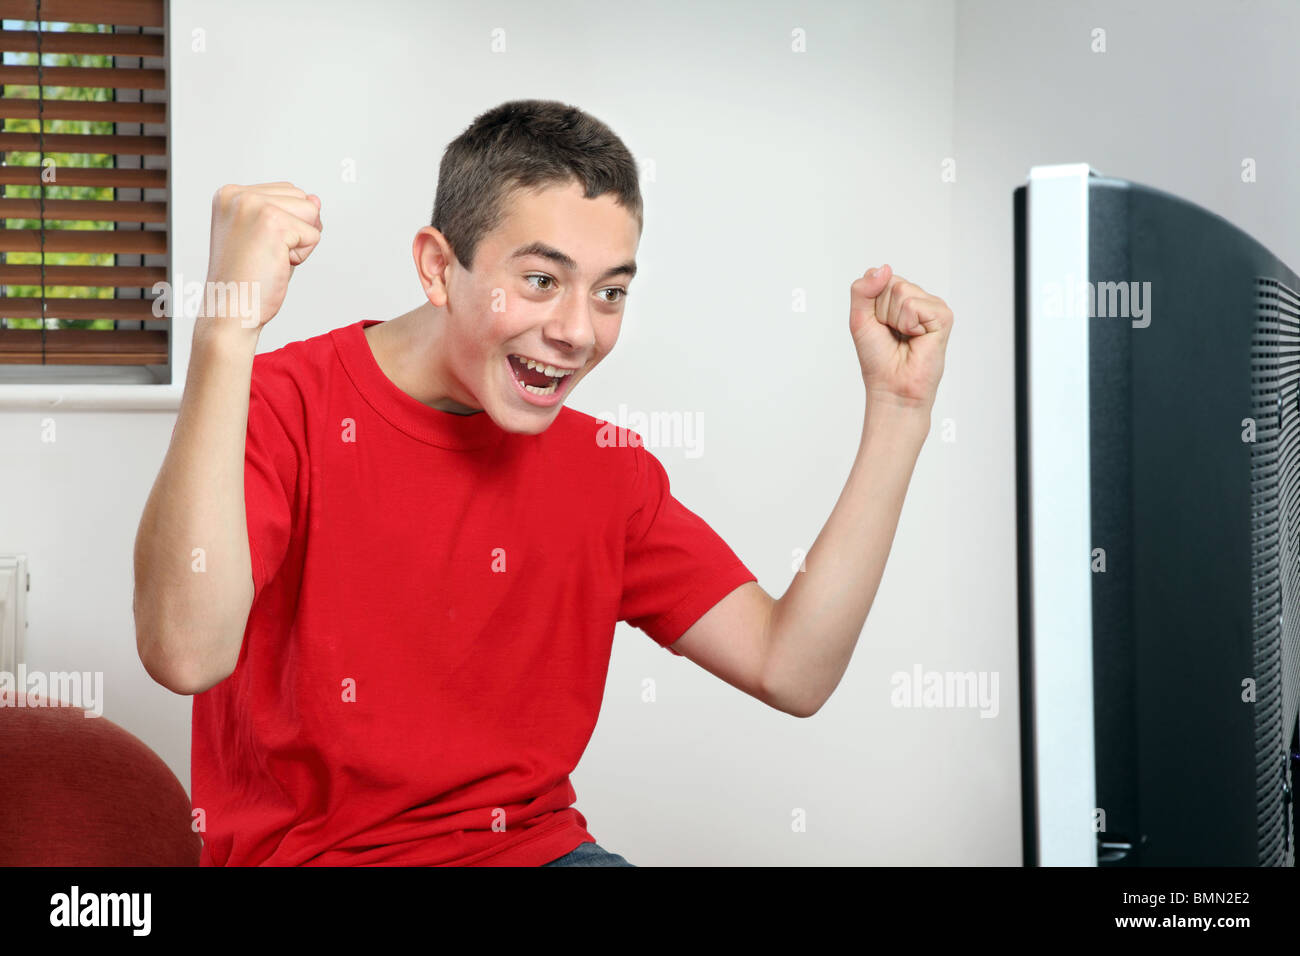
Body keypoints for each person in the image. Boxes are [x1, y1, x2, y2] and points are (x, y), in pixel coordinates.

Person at [132, 99, 953, 867]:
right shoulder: (281, 403)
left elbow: (792, 667)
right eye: (539, 280)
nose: (576, 331)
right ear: (436, 266)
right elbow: (185, 653)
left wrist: (899, 408)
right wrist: (225, 331)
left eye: (610, 293)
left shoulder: (608, 470)